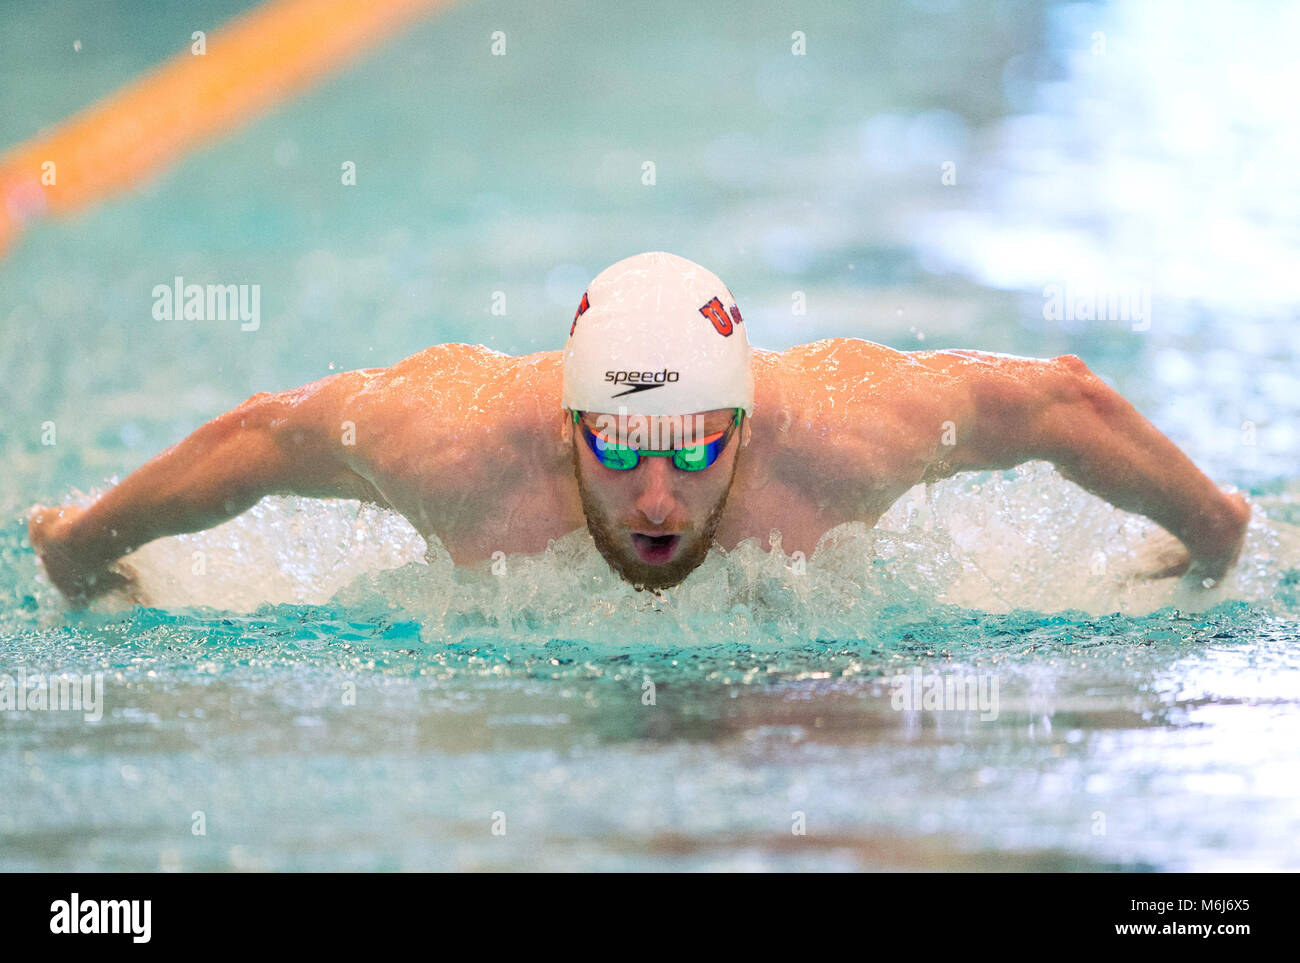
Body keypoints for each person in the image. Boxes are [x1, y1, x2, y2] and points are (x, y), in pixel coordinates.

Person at [28, 251, 1251, 605]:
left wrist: (1214, 531)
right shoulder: (454, 440)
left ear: (746, 421)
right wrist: (83, 543)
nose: (656, 499)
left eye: (693, 447)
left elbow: (1055, 400)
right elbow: (265, 435)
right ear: (565, 426)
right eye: (617, 450)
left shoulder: (838, 428)